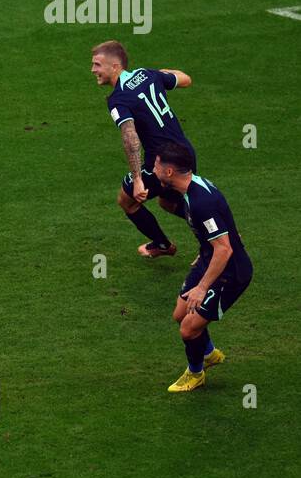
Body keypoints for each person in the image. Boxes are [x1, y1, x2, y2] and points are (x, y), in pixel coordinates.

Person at [152, 143, 251, 393]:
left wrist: (202, 287)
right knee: (179, 314)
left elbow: (225, 249)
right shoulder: (193, 187)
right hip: (211, 257)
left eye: (156, 165)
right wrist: (204, 252)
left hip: (230, 273)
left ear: (170, 171)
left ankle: (195, 374)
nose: (153, 169)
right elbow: (225, 229)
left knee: (188, 327)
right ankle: (207, 353)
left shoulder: (200, 202)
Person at [90, 40, 194, 257]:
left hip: (162, 163)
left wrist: (138, 178)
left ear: (115, 66)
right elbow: (185, 80)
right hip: (185, 151)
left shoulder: (118, 99)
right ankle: (219, 231)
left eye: (98, 65)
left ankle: (164, 244)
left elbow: (130, 137)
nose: (93, 70)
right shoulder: (148, 74)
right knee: (168, 202)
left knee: (127, 201)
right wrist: (159, 73)